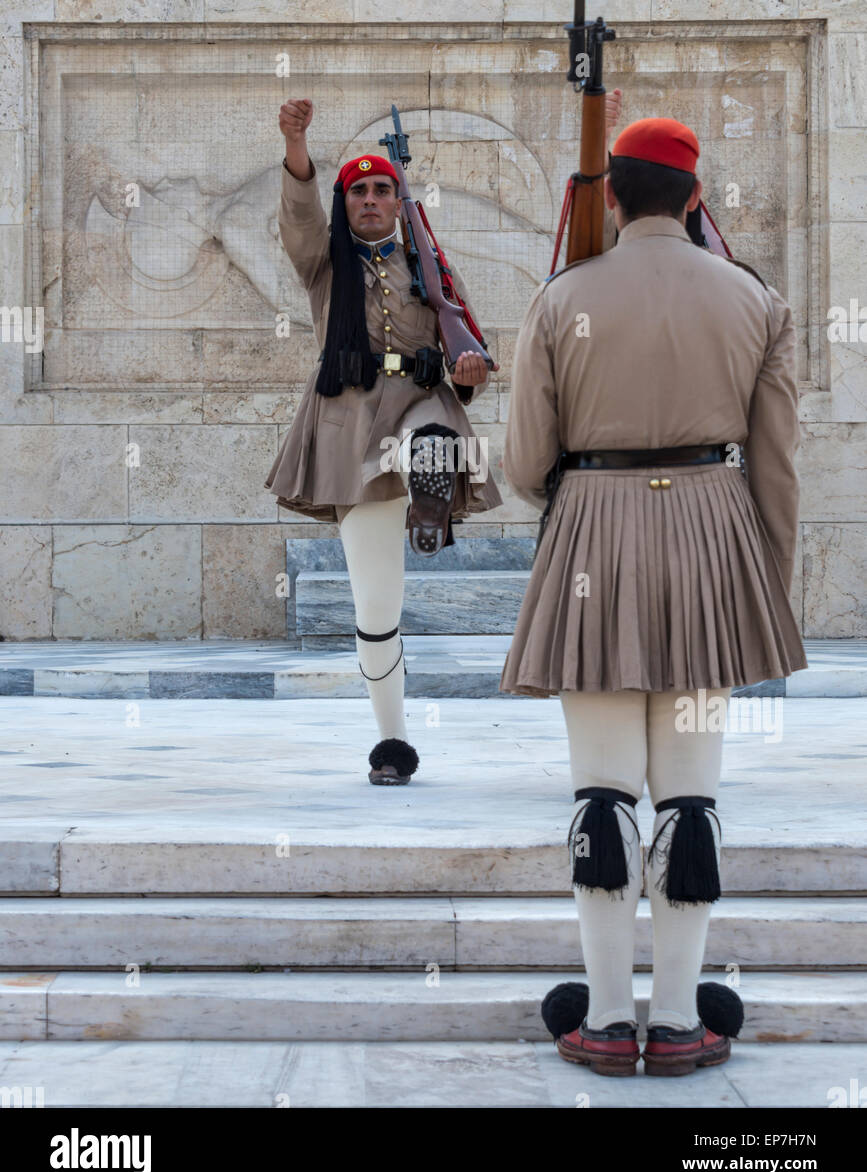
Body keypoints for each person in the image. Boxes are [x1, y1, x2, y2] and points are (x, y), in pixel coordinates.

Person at [499, 114, 808, 1076]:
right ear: (693, 200)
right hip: (713, 531)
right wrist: (762, 578)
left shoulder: (560, 299)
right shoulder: (754, 299)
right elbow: (778, 465)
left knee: (601, 796)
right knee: (690, 799)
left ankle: (598, 1017)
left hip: (595, 525)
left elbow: (521, 466)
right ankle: (678, 1020)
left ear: (612, 200)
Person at [265, 98, 503, 785]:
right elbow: (300, 218)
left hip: (424, 407)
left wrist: (468, 368)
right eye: (359, 191)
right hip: (352, 432)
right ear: (348, 203)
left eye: (382, 189)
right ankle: (392, 743)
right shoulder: (326, 264)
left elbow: (473, 357)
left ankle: (429, 494)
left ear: (399, 202)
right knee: (376, 606)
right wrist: (297, 142)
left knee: (430, 435)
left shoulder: (432, 271)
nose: (371, 199)